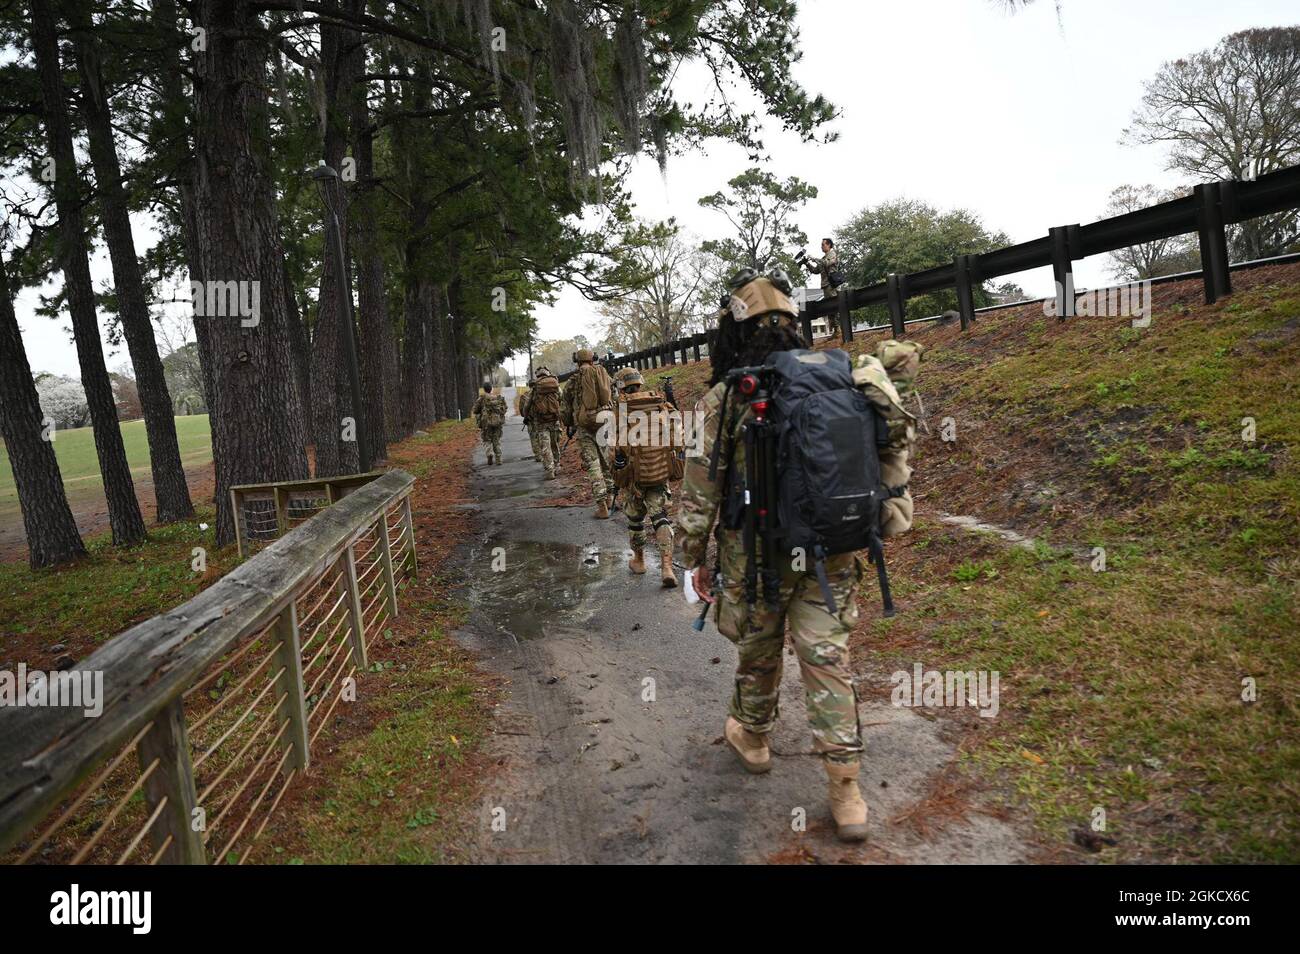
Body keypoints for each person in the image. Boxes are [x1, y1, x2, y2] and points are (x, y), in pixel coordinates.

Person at [675, 268, 922, 842]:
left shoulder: (723, 398)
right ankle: (846, 790)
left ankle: (754, 738)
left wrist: (693, 557)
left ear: (734, 333)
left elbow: (698, 491)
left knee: (759, 649)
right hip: (827, 549)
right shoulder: (841, 373)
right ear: (793, 326)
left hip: (754, 554)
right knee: (826, 657)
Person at [610, 369, 681, 587]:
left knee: (635, 518)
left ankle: (639, 560)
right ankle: (667, 567)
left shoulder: (619, 411)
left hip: (634, 476)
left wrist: (617, 466)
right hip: (659, 472)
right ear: (640, 383)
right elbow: (678, 439)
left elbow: (613, 449)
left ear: (621, 386)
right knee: (660, 517)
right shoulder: (661, 404)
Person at [561, 349, 616, 517]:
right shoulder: (603, 374)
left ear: (577, 361)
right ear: (592, 359)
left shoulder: (573, 381)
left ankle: (602, 506)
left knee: (593, 465)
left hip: (585, 427)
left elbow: (565, 407)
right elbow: (613, 395)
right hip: (604, 422)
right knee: (606, 462)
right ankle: (611, 498)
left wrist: (569, 424)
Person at [522, 366, 563, 480]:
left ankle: (550, 470)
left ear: (538, 375)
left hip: (541, 421)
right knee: (554, 444)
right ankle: (557, 465)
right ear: (547, 373)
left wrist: (526, 416)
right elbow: (562, 397)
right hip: (554, 419)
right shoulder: (555, 384)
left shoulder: (535, 387)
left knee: (545, 446)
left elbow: (527, 404)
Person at [470, 382, 508, 465]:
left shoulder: (482, 398)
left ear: (484, 389)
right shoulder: (498, 398)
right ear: (491, 389)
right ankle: (499, 459)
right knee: (496, 440)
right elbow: (504, 409)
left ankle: (489, 453)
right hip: (497, 422)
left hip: (486, 423)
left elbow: (475, 410)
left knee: (487, 439)